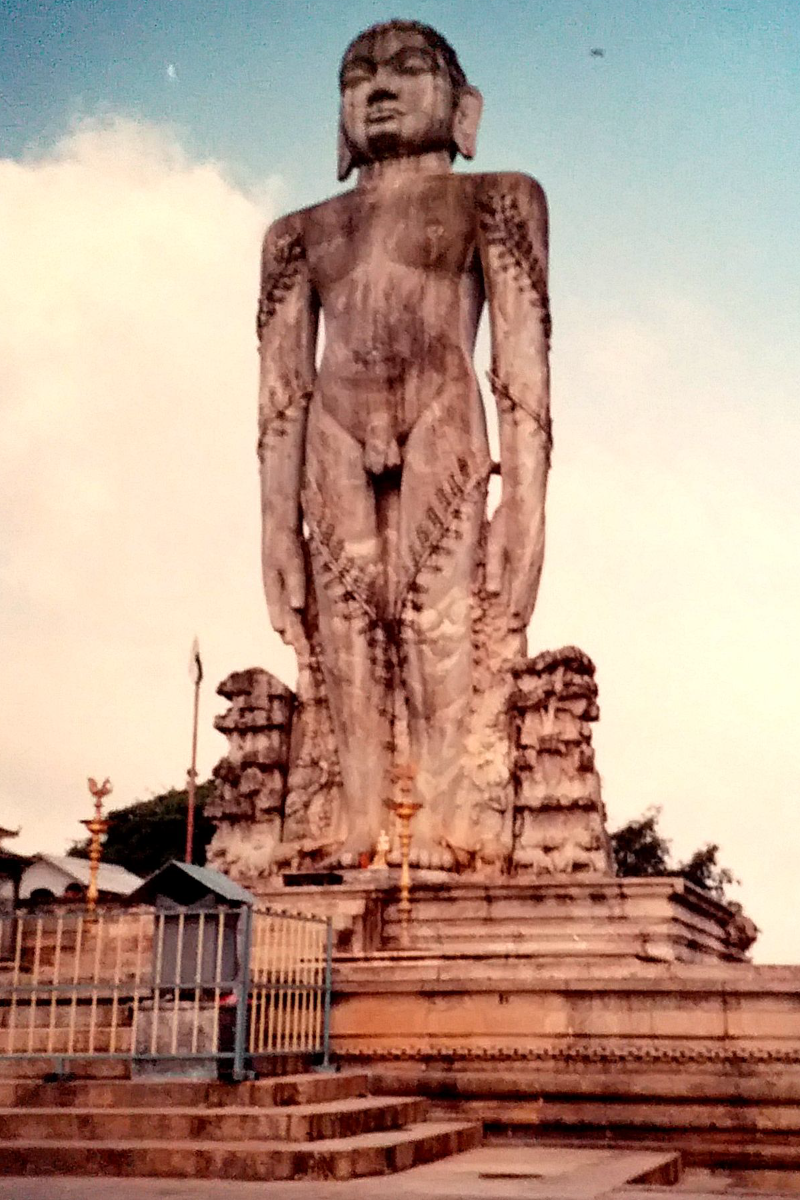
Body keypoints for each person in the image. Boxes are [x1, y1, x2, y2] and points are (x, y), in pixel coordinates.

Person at [257, 20, 551, 868]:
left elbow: (523, 372)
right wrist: (276, 527)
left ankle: (449, 819)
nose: (379, 88)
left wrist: (527, 510)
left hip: (443, 411)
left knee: (443, 620)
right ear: (341, 114)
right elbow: (280, 396)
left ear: (463, 105)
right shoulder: (297, 233)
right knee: (341, 625)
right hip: (332, 426)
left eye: (407, 69)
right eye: (359, 76)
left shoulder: (495, 197)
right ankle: (355, 820)